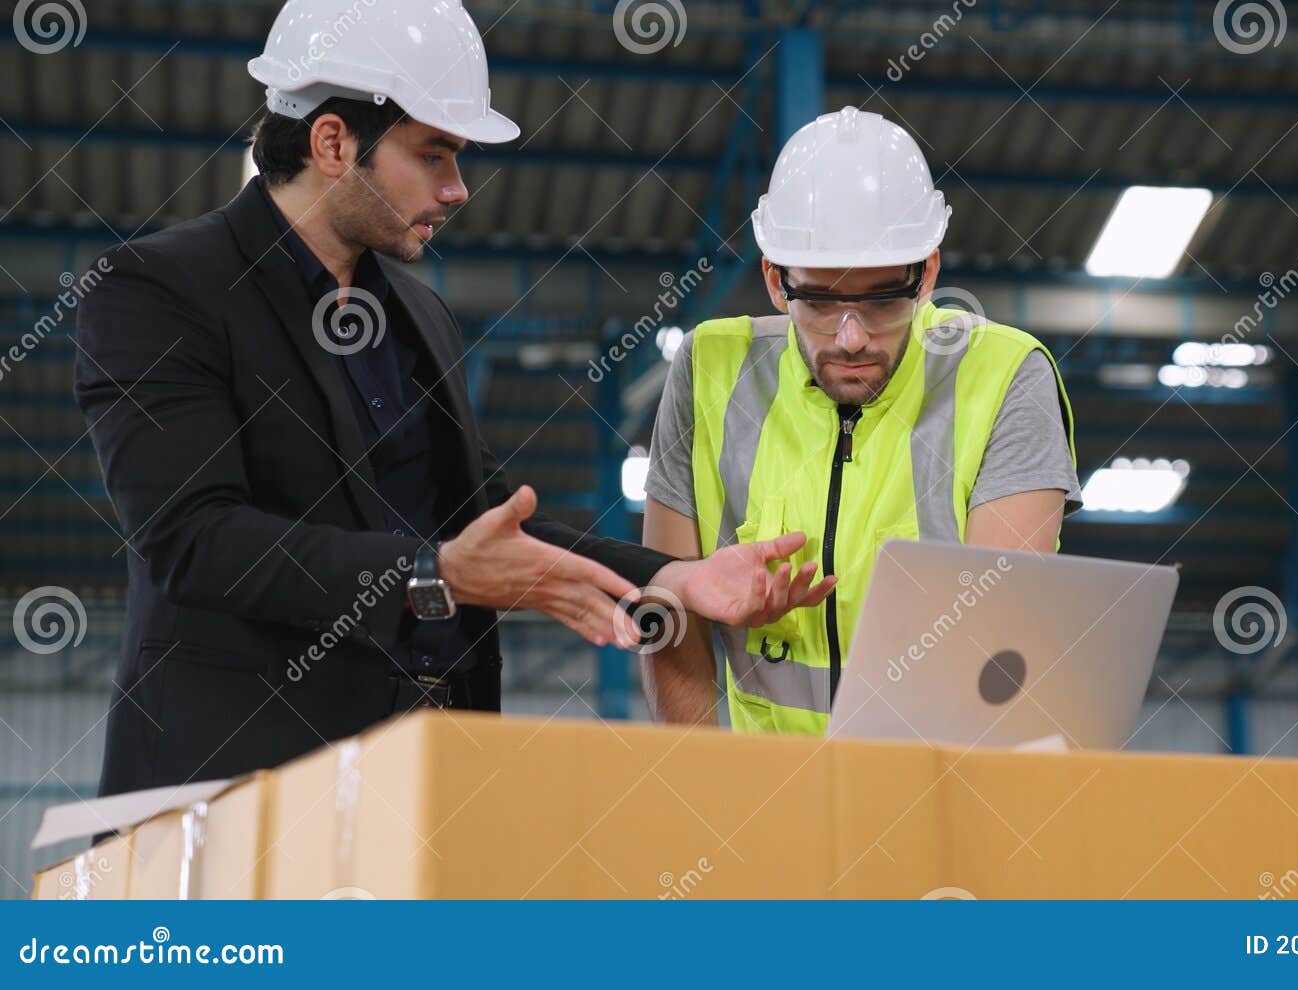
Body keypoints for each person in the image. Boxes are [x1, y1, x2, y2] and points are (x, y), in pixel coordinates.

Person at [74, 0, 828, 796]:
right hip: (229, 796)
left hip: (418, 798)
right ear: (333, 142)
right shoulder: (158, 291)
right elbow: (194, 540)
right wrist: (434, 576)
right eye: (433, 155)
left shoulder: (419, 317)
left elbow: (488, 526)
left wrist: (676, 577)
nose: (458, 188)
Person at [640, 106, 1081, 735]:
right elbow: (667, 605)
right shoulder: (710, 371)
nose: (851, 338)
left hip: (938, 799)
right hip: (766, 805)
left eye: (880, 301)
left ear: (926, 273)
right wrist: (707, 793)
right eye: (819, 300)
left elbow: (999, 642)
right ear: (774, 279)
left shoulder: (1006, 377)